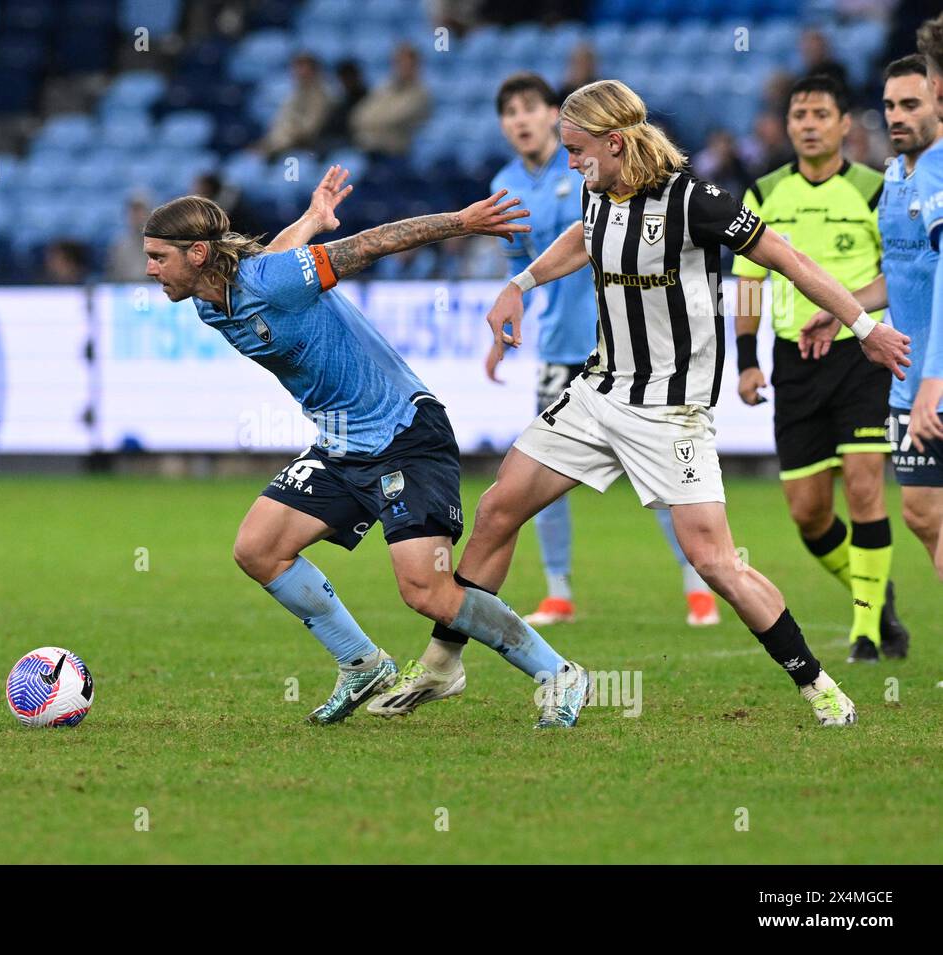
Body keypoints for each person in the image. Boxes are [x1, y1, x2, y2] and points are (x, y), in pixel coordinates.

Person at [372, 80, 912, 728]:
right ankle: (442, 662)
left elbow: (787, 259)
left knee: (716, 562)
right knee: (495, 510)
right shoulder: (598, 190)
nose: (570, 161)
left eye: (578, 150)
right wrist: (520, 282)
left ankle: (817, 684)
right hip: (598, 391)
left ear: (616, 141)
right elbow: (583, 234)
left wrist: (863, 325)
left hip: (670, 409)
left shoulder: (694, 201)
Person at [143, 165, 591, 727]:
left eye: (159, 256)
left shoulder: (266, 282)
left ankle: (558, 672)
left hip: (404, 434)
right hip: (341, 445)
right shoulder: (212, 302)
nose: (149, 268)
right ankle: (362, 665)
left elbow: (370, 245)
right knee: (258, 548)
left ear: (199, 255)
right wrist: (309, 219)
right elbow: (269, 268)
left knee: (425, 590)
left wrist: (461, 222)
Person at [489, 71, 719, 629]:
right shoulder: (506, 182)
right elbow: (519, 263)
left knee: (664, 482)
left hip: (629, 355)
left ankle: (699, 587)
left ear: (553, 115)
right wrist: (505, 322)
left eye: (529, 107)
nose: (519, 119)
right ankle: (558, 591)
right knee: (534, 480)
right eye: (508, 111)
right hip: (559, 347)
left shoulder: (599, 173)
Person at [734, 75, 910, 663]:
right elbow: (750, 287)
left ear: (842, 125)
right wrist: (747, 363)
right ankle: (877, 596)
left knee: (865, 488)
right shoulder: (763, 192)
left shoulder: (873, 189)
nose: (808, 123)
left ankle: (865, 630)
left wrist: (848, 314)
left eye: (820, 114)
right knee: (809, 514)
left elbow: (900, 275)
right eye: (799, 114)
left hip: (862, 356)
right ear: (788, 126)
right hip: (793, 363)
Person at [805, 41, 943, 584]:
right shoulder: (895, 177)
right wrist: (844, 308)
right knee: (921, 514)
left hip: (933, 375)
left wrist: (936, 379)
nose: (897, 116)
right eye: (890, 105)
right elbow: (904, 273)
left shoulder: (938, 177)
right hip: (911, 375)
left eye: (911, 104)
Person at [349, 44, 431, 157]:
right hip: (369, 148)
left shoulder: (420, 94)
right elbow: (359, 116)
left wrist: (372, 124)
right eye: (398, 63)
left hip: (398, 152)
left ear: (416, 66)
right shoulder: (385, 87)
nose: (402, 67)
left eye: (406, 63)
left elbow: (394, 119)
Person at [252, 53, 334, 159]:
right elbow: (280, 122)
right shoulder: (295, 93)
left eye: (303, 67)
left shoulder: (321, 95)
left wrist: (276, 144)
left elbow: (309, 129)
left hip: (304, 147)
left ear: (314, 71)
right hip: (281, 144)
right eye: (297, 67)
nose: (299, 72)